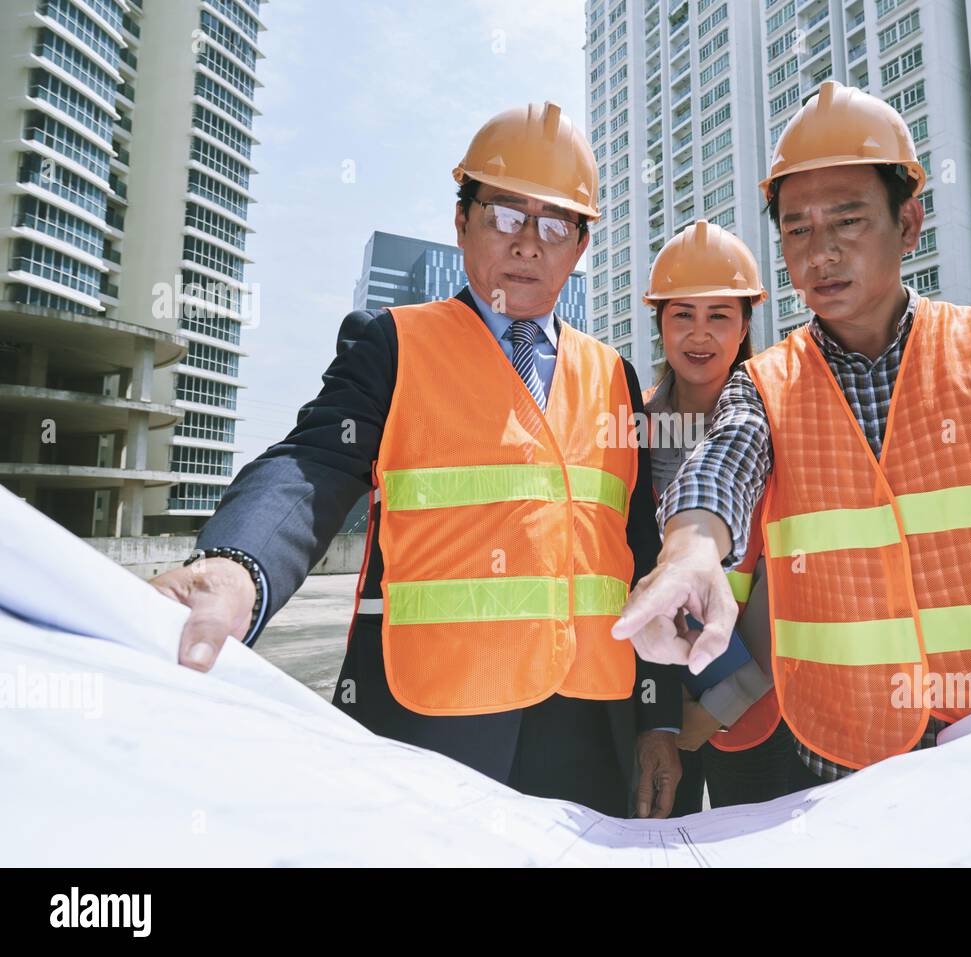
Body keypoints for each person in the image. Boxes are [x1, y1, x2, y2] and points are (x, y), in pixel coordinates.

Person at [614, 81, 971, 784]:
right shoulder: (764, 383)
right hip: (842, 759)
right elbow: (720, 467)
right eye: (797, 229)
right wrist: (690, 557)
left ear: (908, 224)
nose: (820, 253)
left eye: (847, 221)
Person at [149, 101, 682, 818]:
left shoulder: (613, 374)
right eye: (503, 214)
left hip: (591, 727)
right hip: (431, 724)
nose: (528, 243)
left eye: (555, 223)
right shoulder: (393, 344)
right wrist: (237, 566)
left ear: (580, 247)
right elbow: (313, 464)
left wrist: (660, 720)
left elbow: (642, 550)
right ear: (461, 221)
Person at [640, 220, 807, 813]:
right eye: (682, 314)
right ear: (660, 322)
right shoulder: (633, 430)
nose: (700, 335)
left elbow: (790, 582)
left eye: (720, 315)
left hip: (760, 709)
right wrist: (660, 714)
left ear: (744, 327)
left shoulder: (780, 427)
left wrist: (711, 711)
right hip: (655, 706)